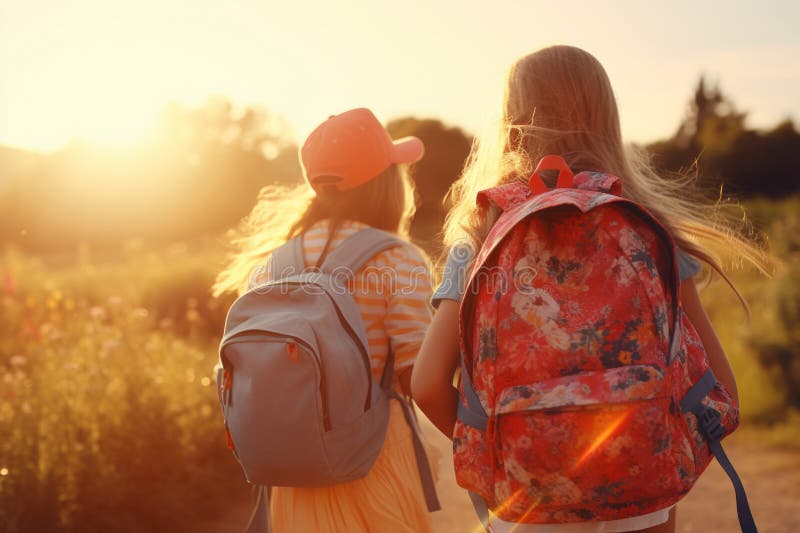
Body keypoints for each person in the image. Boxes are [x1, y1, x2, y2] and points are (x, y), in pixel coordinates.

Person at [411, 45, 769, 533]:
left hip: (527, 506)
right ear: (607, 118)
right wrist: (657, 452)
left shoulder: (481, 233)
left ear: (509, 121)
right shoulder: (648, 227)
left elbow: (428, 383)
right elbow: (722, 391)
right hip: (641, 500)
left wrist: (509, 455)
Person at [214, 108, 436, 533]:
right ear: (386, 181)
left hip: (291, 483)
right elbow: (417, 376)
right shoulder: (397, 259)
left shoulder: (270, 266)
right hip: (371, 465)